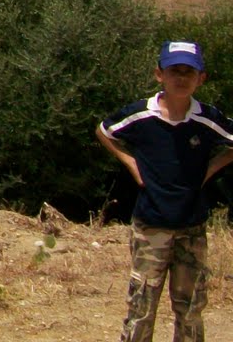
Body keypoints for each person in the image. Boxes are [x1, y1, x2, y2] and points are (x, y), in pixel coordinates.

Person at [97, 40, 233, 342]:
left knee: (191, 310)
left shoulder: (207, 119)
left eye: (189, 72)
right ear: (160, 74)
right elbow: (104, 131)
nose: (181, 78)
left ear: (201, 78)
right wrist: (131, 163)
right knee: (141, 309)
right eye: (175, 71)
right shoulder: (141, 116)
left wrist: (212, 168)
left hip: (191, 228)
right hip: (150, 228)